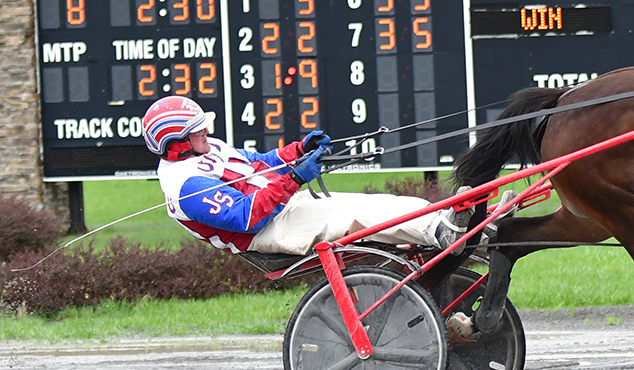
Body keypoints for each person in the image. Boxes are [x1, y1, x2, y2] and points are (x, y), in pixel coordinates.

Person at [143, 95, 476, 256]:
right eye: (197, 130)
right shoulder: (185, 186)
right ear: (175, 142)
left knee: (383, 202)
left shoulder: (206, 147)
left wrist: (299, 151)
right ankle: (442, 233)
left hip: (286, 207)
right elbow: (248, 217)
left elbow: (260, 161)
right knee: (361, 216)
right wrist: (295, 179)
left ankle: (455, 228)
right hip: (269, 231)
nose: (205, 131)